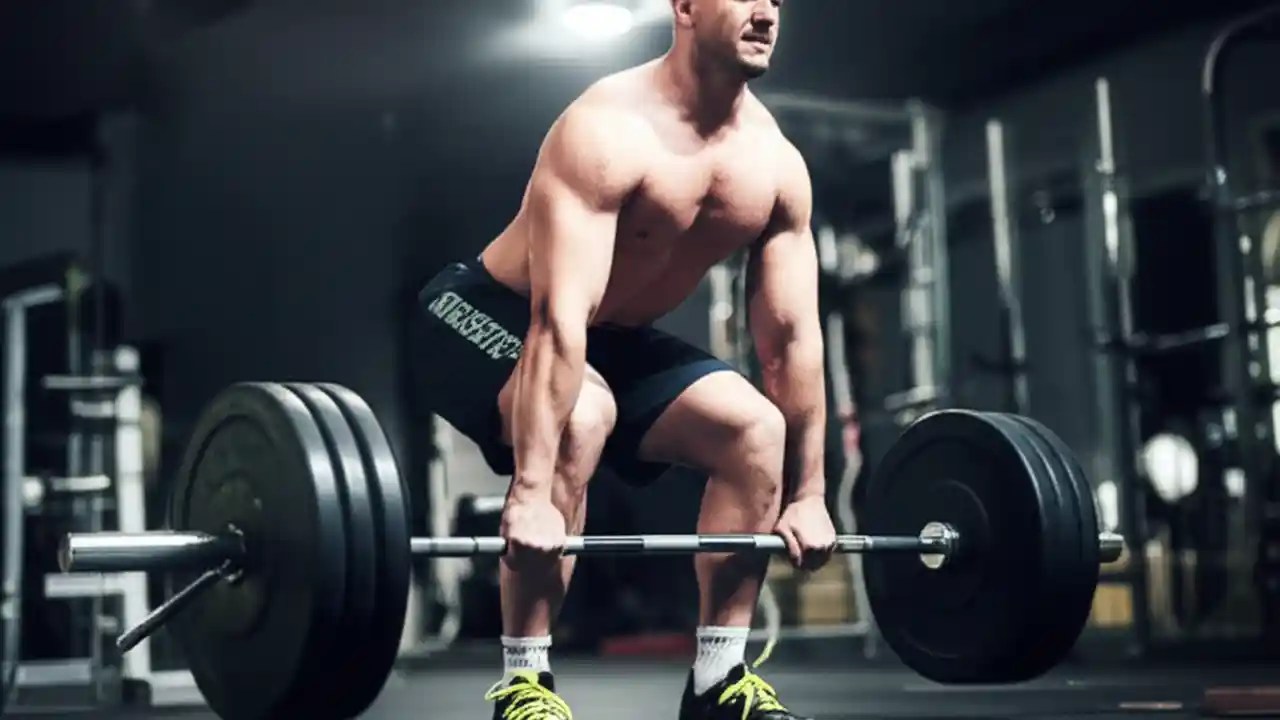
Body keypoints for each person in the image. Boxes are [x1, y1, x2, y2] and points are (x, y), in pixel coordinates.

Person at [414, 1, 835, 717]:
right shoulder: (606, 130)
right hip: (481, 310)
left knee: (756, 431)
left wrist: (810, 493)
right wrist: (530, 489)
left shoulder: (776, 169)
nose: (766, 10)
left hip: (608, 336)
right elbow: (557, 316)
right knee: (582, 411)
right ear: (684, 6)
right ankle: (524, 683)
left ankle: (718, 684)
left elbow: (791, 341)